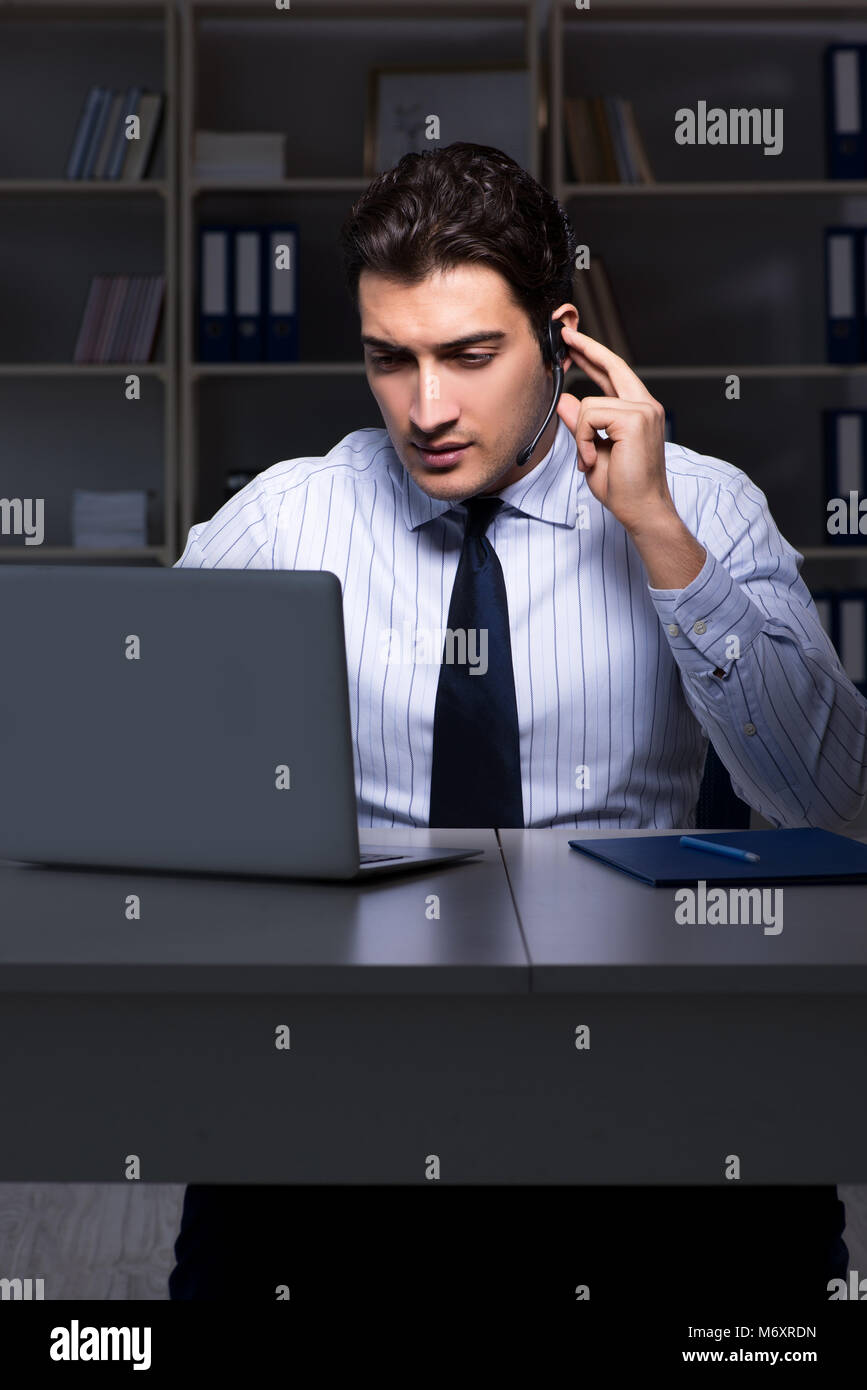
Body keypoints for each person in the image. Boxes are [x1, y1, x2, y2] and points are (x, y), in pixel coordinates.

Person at [168, 142, 862, 1305]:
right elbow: (126, 747)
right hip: (358, 1050)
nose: (426, 409)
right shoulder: (288, 518)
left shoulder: (703, 505)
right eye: (390, 359)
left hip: (632, 1049)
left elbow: (830, 795)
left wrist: (661, 540)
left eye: (469, 356)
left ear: (561, 339)